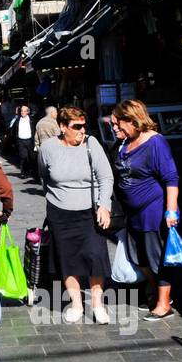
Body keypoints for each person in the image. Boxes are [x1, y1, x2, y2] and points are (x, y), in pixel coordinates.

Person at [38, 107, 114, 324]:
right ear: (62, 127)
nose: (82, 131)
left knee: (95, 257)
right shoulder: (48, 148)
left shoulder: (92, 144)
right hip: (60, 214)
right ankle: (77, 304)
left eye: (84, 125)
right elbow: (44, 176)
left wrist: (104, 205)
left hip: (90, 212)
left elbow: (106, 177)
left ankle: (98, 304)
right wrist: (58, 197)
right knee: (67, 259)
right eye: (76, 127)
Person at [111, 100, 180, 320]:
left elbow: (171, 178)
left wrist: (171, 211)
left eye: (117, 124)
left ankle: (164, 304)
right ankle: (153, 292)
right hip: (133, 214)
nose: (114, 128)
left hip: (153, 212)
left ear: (131, 120)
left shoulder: (155, 142)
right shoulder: (123, 143)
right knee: (140, 258)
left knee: (156, 258)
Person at [11, 105, 36, 177]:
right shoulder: (17, 119)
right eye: (22, 111)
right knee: (23, 157)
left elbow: (35, 129)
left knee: (31, 157)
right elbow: (13, 129)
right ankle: (23, 172)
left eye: (24, 111)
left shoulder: (32, 119)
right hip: (21, 140)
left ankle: (32, 171)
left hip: (30, 140)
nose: (22, 112)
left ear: (27, 112)